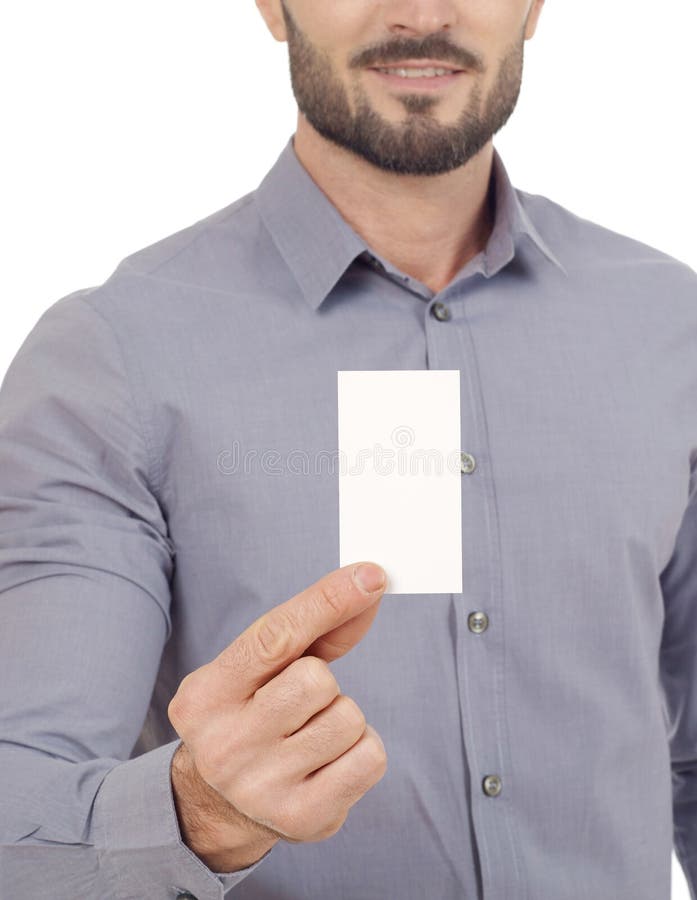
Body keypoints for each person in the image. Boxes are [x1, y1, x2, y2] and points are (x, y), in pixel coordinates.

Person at [1, 1, 696, 898]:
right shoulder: (112, 359)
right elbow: (18, 822)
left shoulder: (670, 326)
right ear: (271, 5)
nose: (420, 13)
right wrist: (196, 813)